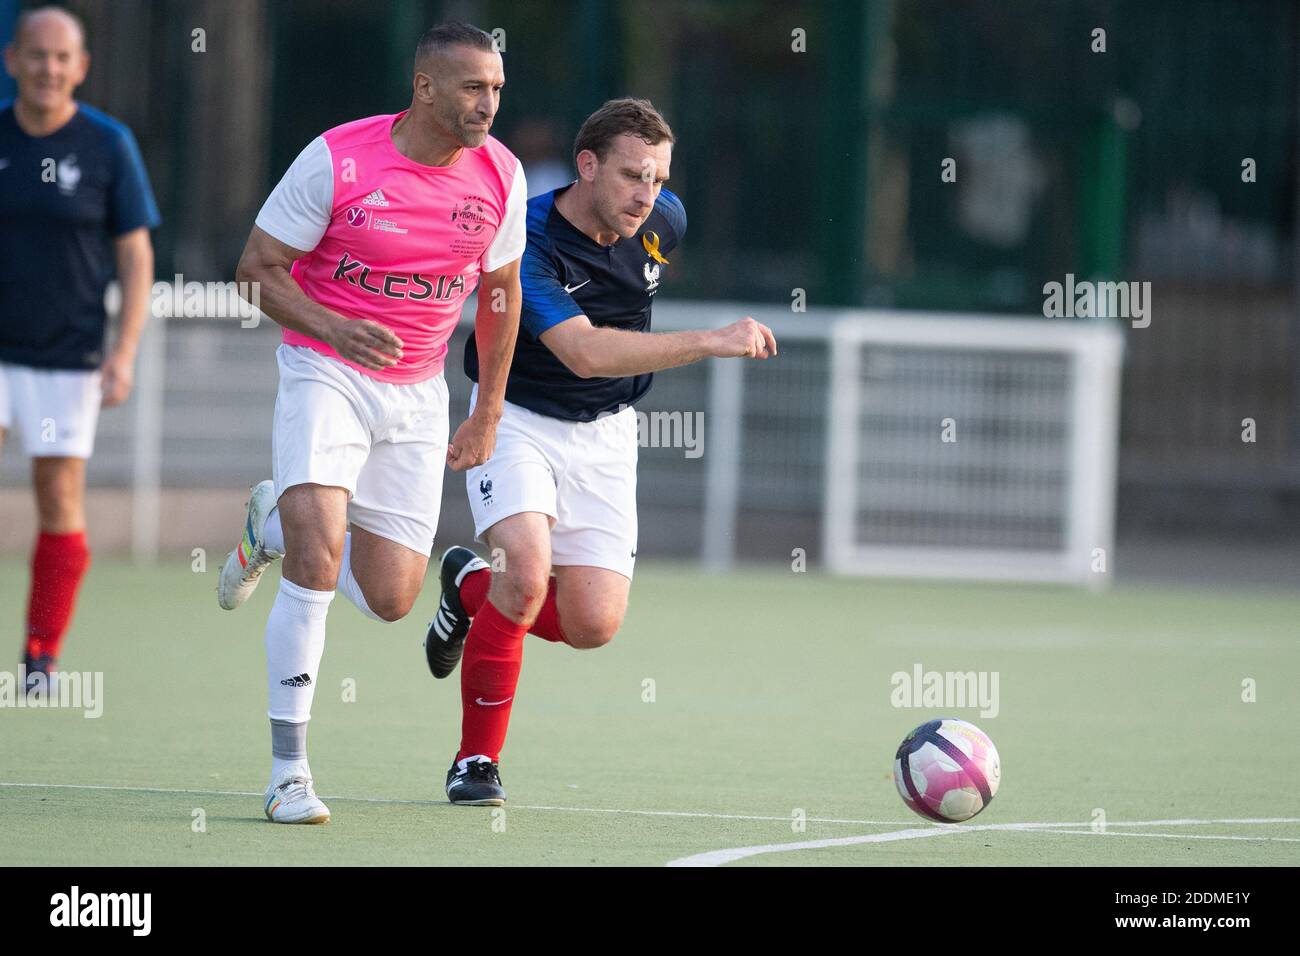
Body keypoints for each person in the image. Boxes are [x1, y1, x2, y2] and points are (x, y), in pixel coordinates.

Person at [424, 98, 777, 805]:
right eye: (630, 176)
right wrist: (709, 340)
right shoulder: (526, 237)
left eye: (657, 177)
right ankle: (475, 763)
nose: (646, 194)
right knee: (525, 579)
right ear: (586, 167)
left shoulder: (662, 222)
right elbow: (583, 353)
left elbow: (612, 339)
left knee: (593, 625)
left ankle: (467, 589)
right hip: (515, 417)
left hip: (608, 435)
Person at [217, 22, 526, 825]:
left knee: (393, 597)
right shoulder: (338, 160)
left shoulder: (502, 176)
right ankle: (289, 773)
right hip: (326, 372)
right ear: (425, 89)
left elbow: (500, 293)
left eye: (495, 88)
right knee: (319, 566)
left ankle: (271, 522)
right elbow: (254, 271)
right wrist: (331, 327)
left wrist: (487, 407)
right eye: (472, 87)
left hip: (419, 393)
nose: (488, 103)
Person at [0, 6, 158, 691]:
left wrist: (123, 352)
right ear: (12, 60)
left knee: (58, 497)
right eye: (36, 55)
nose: (48, 68)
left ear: (81, 67)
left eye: (62, 58)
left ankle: (40, 656)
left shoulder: (107, 145)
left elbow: (135, 256)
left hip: (68, 355)